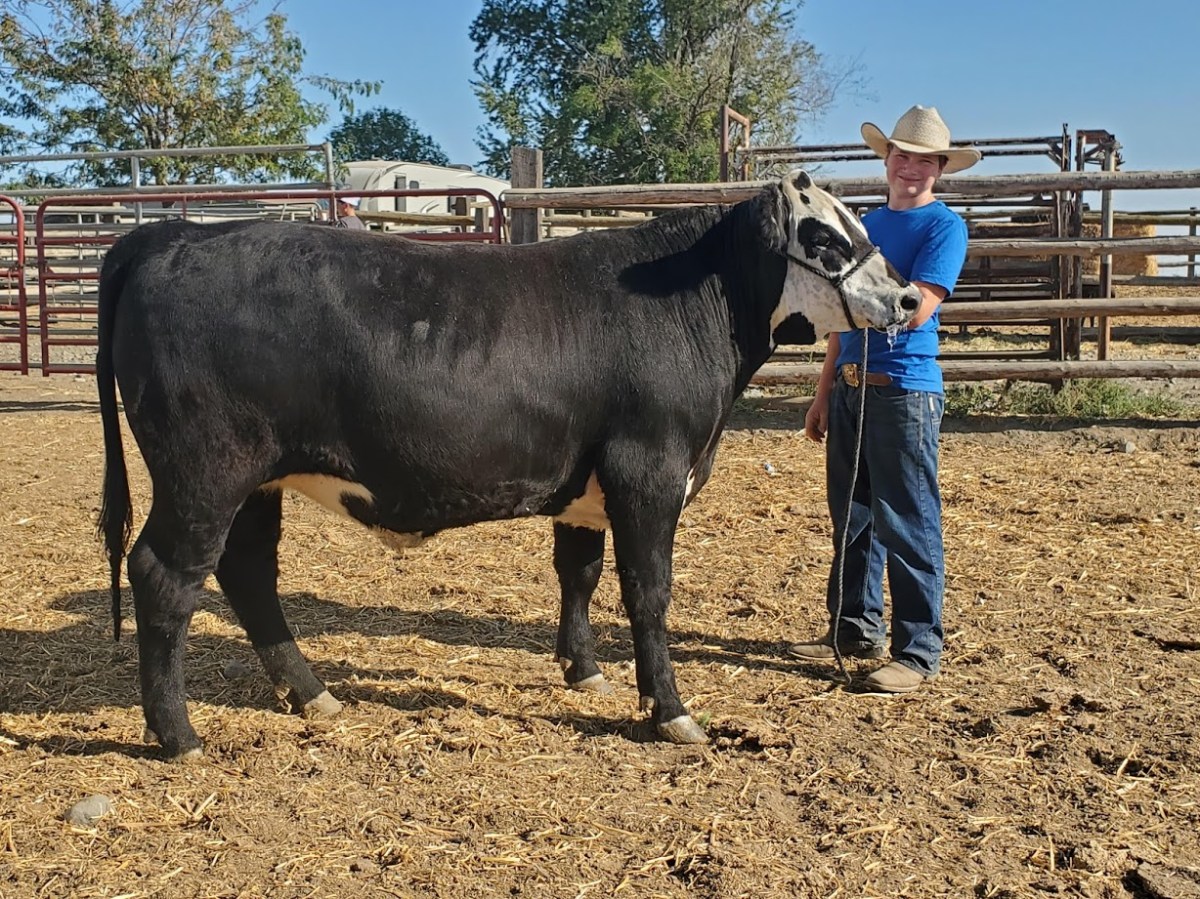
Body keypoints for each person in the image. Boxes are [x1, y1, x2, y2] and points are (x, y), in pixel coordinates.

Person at [789, 105, 981, 693]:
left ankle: (918, 649)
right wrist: (822, 393)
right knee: (852, 516)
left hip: (903, 389)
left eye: (925, 159)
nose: (911, 167)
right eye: (903, 156)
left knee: (908, 518)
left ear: (940, 169)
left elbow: (919, 305)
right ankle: (853, 629)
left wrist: (871, 311)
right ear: (887, 161)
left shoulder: (942, 227)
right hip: (852, 386)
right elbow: (842, 326)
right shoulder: (866, 227)